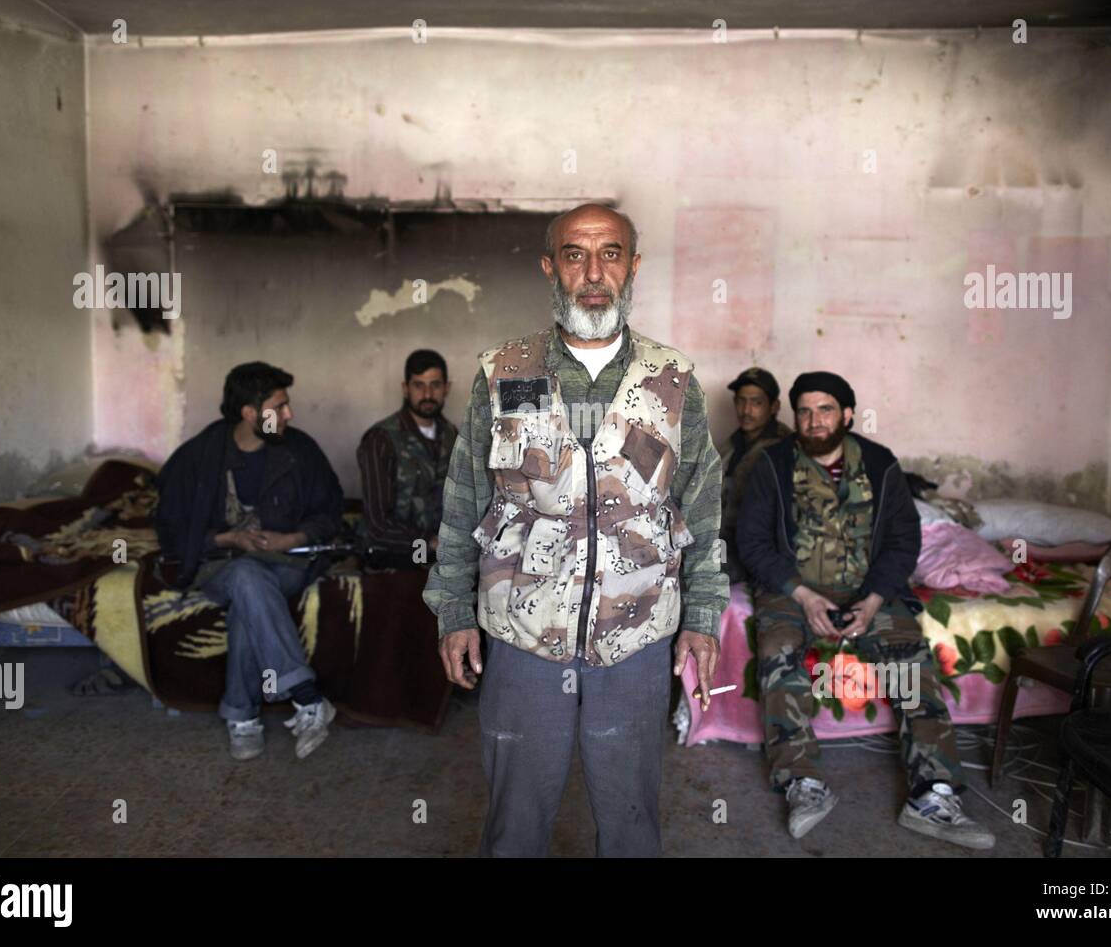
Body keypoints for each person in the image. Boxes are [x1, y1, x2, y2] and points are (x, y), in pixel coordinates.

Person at [424, 204, 729, 857]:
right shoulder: (504, 372)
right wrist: (452, 607)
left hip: (637, 635)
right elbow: (462, 503)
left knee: (630, 822)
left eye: (611, 254)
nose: (593, 272)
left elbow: (701, 509)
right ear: (549, 267)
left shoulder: (673, 381)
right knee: (516, 824)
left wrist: (702, 614)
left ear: (633, 266)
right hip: (523, 632)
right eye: (574, 254)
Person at [736, 371, 995, 849]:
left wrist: (875, 597)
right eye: (806, 411)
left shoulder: (880, 464)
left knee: (911, 660)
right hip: (792, 592)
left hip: (869, 591)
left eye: (826, 409)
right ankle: (803, 784)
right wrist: (801, 594)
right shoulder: (772, 464)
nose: (814, 421)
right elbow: (751, 542)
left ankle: (932, 795)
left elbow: (903, 541)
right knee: (778, 652)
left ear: (847, 414)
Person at [155, 361, 344, 761]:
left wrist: (291, 537)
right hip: (218, 565)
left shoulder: (301, 450)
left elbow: (331, 514)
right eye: (281, 406)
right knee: (244, 572)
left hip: (286, 563)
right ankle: (306, 696)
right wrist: (228, 537)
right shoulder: (198, 456)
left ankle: (241, 714)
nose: (290, 414)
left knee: (249, 594)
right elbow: (171, 530)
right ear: (249, 412)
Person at [355, 349, 457, 569]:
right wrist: (430, 542)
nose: (428, 394)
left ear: (447, 388)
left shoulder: (454, 437)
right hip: (393, 554)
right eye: (419, 385)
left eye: (435, 385)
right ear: (405, 389)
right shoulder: (381, 440)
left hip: (442, 553)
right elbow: (378, 525)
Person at [716, 367, 791, 583]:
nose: (746, 410)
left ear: (774, 406)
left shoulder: (784, 449)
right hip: (723, 543)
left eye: (756, 402)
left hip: (756, 551)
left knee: (702, 579)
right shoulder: (729, 446)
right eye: (741, 401)